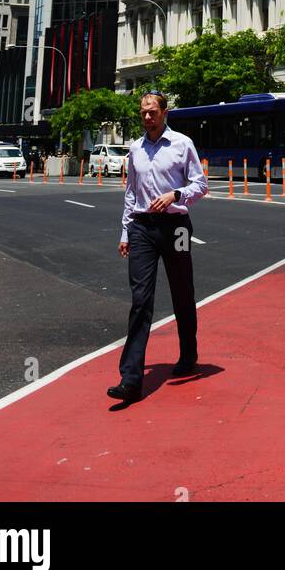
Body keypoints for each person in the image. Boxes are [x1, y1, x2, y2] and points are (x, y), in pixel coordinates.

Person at [107, 91, 208, 405]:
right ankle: (131, 380)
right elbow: (130, 192)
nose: (147, 117)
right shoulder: (135, 148)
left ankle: (188, 355)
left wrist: (175, 196)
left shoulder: (182, 144)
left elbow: (200, 184)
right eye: (143, 113)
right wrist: (125, 232)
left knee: (182, 292)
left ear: (164, 112)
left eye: (152, 112)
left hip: (175, 226)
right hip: (141, 228)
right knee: (140, 300)